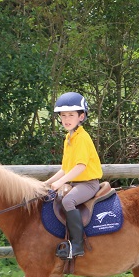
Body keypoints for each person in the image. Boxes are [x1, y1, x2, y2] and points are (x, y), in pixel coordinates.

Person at [44, 92, 103, 260]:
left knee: (68, 200)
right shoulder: (69, 138)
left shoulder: (82, 138)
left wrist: (60, 183)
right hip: (77, 183)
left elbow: (80, 167)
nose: (66, 119)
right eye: (63, 116)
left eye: (71, 115)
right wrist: (46, 183)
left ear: (81, 116)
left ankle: (77, 245)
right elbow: (65, 168)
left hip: (88, 183)